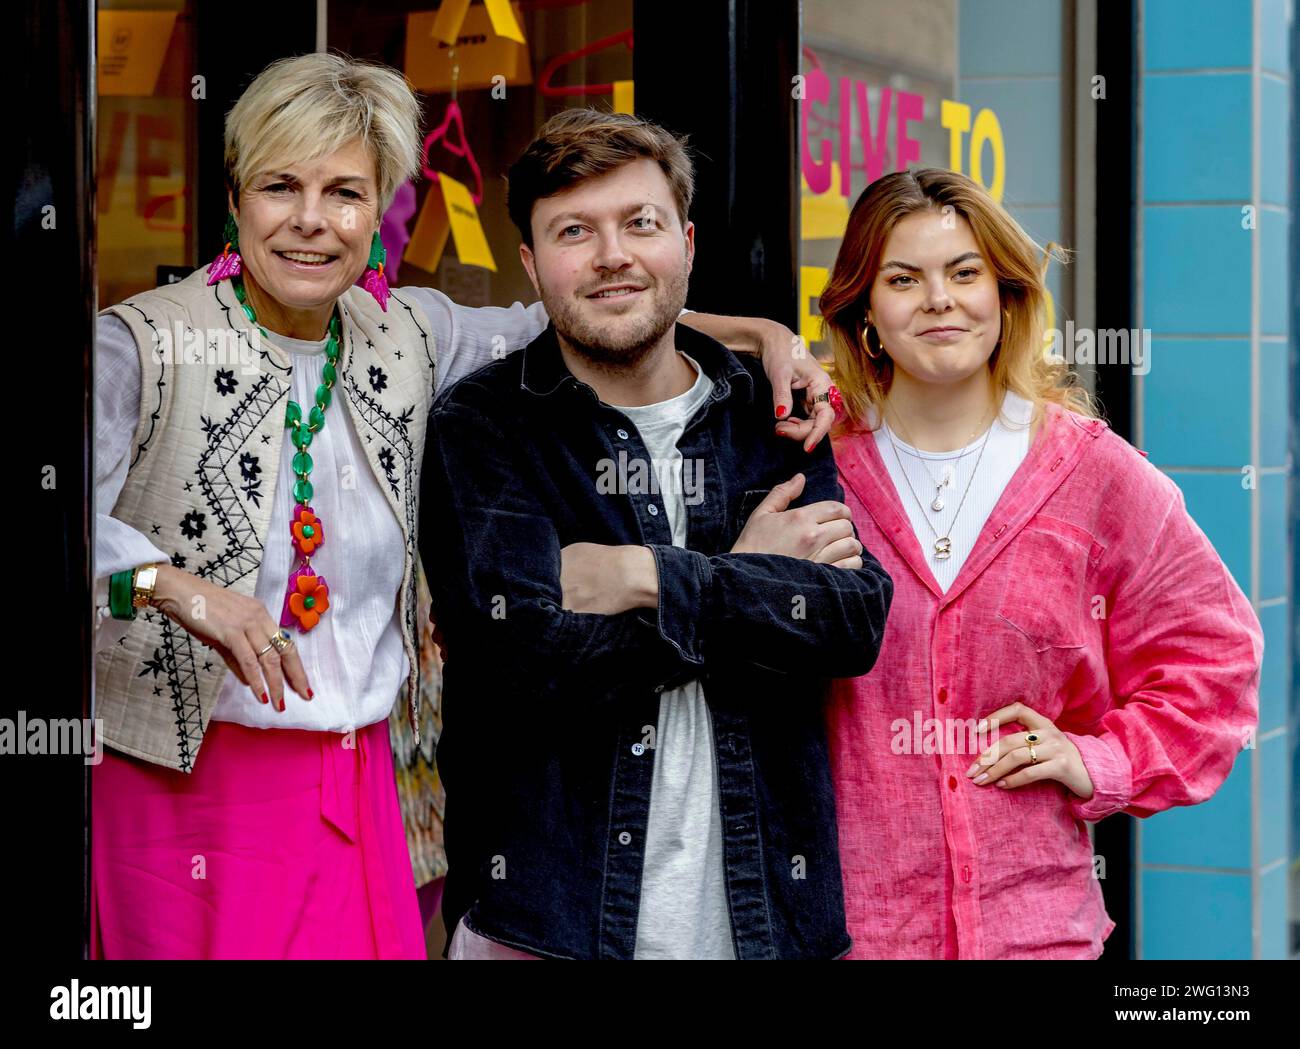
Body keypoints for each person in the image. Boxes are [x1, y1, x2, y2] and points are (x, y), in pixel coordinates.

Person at [90, 53, 836, 960]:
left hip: (370, 788)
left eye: (346, 193)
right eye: (282, 186)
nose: (313, 222)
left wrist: (765, 335)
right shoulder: (138, 346)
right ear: (238, 196)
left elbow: (583, 306)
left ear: (380, 208)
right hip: (186, 789)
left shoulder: (408, 332)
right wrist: (171, 586)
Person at [420, 109, 894, 960]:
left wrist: (643, 575)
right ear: (530, 264)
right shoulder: (485, 427)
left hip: (766, 929)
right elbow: (528, 661)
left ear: (686, 239)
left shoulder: (770, 411)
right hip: (544, 929)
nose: (612, 255)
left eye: (640, 223)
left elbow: (850, 622)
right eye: (575, 232)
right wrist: (748, 574)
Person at [817, 168, 1263, 959]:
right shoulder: (816, 472)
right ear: (865, 311)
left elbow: (1216, 658)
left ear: (1007, 296)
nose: (939, 299)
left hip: (1037, 934)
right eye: (902, 278)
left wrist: (1097, 758)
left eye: (964, 273)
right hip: (855, 934)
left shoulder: (1094, 475)